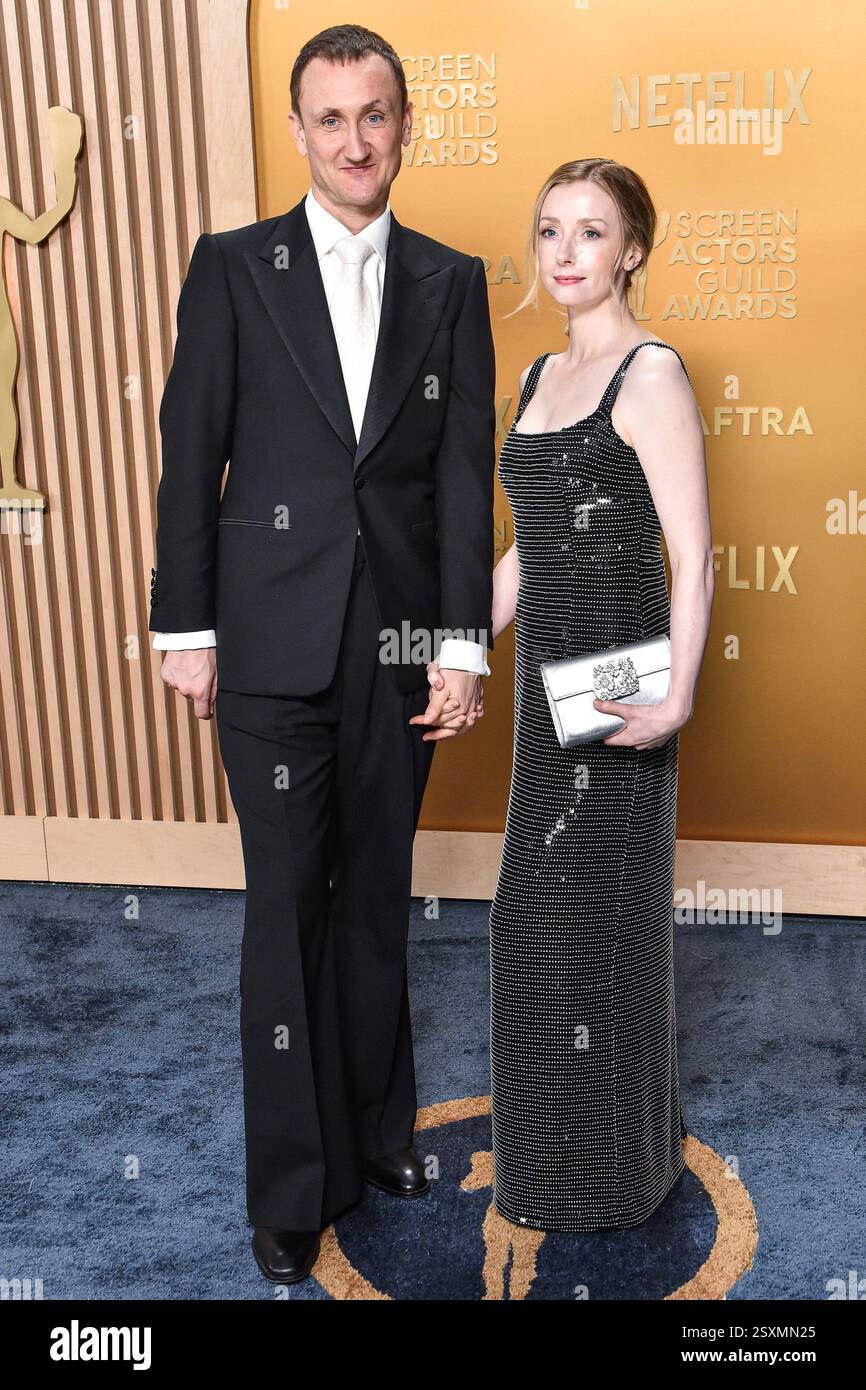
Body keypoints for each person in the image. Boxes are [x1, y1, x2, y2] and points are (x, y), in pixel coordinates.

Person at [148, 24, 495, 1284]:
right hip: (264, 648)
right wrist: (184, 629)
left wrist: (458, 645)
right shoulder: (234, 267)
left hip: (400, 648)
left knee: (376, 903)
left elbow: (463, 491)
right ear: (297, 131)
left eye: (376, 115)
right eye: (331, 118)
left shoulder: (452, 282)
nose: (355, 140)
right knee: (288, 907)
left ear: (406, 125)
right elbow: (193, 456)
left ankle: (376, 1132)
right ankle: (296, 1185)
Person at [429, 159, 713, 1231]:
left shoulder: (650, 376)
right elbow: (531, 553)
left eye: (589, 233)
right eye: (548, 230)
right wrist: (459, 646)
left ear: (632, 248)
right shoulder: (537, 373)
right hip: (545, 687)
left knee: (585, 926)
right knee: (529, 925)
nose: (563, 252)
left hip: (621, 685)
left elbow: (691, 556)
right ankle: (556, 1164)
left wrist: (677, 694)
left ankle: (607, 1179)